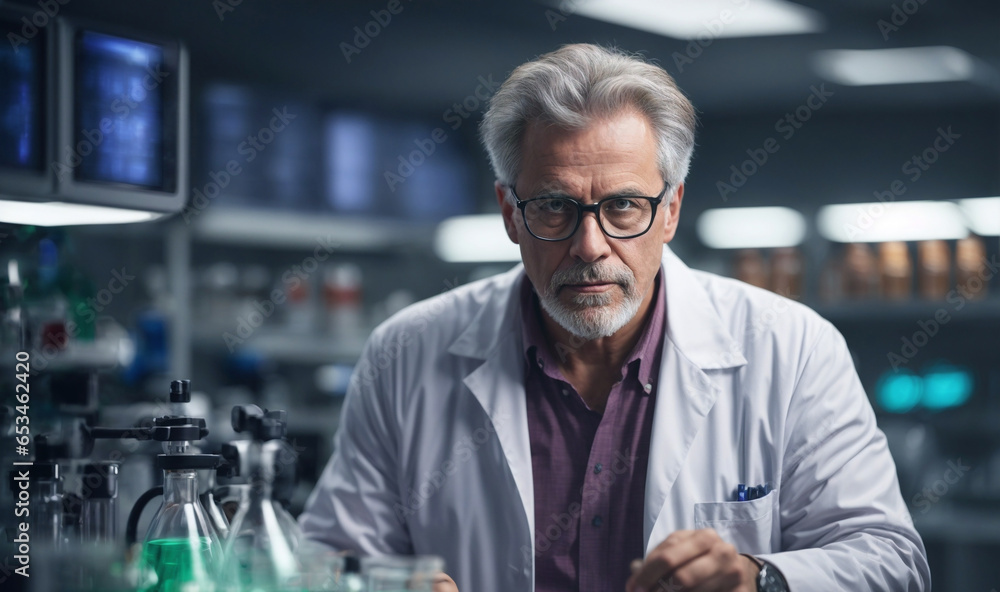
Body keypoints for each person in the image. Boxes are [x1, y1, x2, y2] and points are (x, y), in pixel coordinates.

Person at [299, 43, 930, 592]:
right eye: (553, 206)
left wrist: (760, 578)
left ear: (672, 209)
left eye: (625, 206)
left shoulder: (791, 349)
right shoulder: (406, 352)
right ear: (510, 214)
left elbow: (892, 561)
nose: (590, 246)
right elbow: (321, 561)